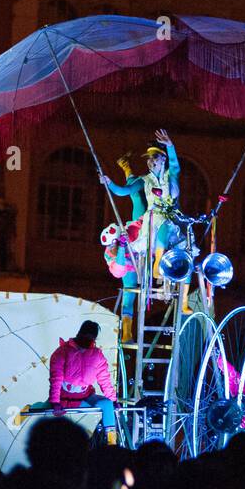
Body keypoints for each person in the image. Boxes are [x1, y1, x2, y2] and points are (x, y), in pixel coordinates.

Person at [101, 128, 182, 342]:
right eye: (149, 159)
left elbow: (175, 167)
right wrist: (108, 183)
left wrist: (171, 147)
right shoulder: (143, 184)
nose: (150, 162)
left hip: (163, 226)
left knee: (166, 231)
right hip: (145, 229)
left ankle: (164, 275)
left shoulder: (168, 178)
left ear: (162, 159)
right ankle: (127, 328)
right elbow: (125, 191)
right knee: (129, 286)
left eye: (154, 158)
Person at [43, 320, 119, 446]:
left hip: (83, 397)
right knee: (44, 409)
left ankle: (112, 443)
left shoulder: (96, 355)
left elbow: (104, 379)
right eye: (86, 336)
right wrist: (55, 401)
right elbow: (56, 378)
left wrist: (114, 400)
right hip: (63, 398)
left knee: (107, 404)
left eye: (91, 338)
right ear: (80, 333)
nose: (88, 340)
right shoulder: (63, 351)